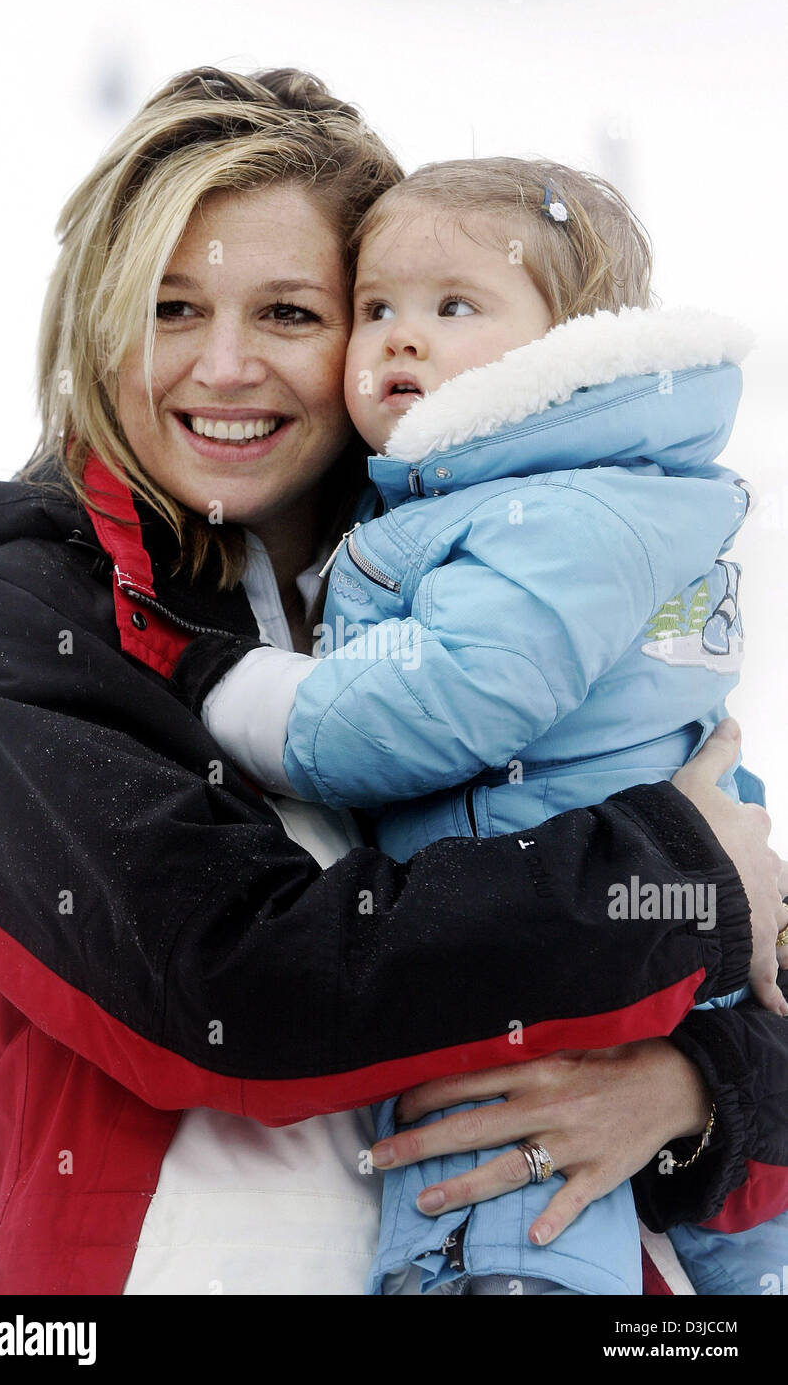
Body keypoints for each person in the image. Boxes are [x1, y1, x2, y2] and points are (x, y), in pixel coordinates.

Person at [0, 66, 785, 1298]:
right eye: (171, 309)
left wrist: (692, 1089)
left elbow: (757, 960)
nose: (225, 367)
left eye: (289, 314)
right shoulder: (13, 613)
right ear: (94, 322)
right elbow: (229, 987)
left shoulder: (494, 590)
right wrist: (672, 876)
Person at [200, 154, 788, 1294]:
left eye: (453, 307)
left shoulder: (549, 509)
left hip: (544, 966)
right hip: (644, 930)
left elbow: (446, 704)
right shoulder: (555, 485)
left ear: (565, 349)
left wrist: (251, 696)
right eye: (376, 309)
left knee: (499, 1185)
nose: (400, 340)